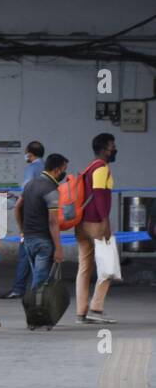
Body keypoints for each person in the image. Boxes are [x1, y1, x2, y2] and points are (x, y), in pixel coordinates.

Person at [75, 132, 119, 324]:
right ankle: (96, 307)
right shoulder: (101, 168)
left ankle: (81, 312)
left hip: (81, 224)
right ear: (103, 150)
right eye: (112, 146)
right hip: (95, 223)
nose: (115, 149)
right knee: (107, 265)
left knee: (84, 267)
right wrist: (106, 222)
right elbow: (100, 196)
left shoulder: (89, 167)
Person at [13, 152, 69, 297]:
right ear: (57, 170)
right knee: (40, 282)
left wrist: (22, 231)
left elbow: (17, 208)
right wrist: (58, 248)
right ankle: (36, 312)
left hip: (28, 240)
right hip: (43, 242)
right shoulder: (51, 190)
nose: (64, 173)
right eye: (63, 169)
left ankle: (36, 310)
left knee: (37, 277)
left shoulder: (30, 184)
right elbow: (53, 221)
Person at [2, 140, 45, 299]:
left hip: (30, 215)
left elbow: (27, 191)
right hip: (44, 213)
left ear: (31, 154)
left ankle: (19, 288)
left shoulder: (31, 168)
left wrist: (15, 200)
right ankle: (37, 288)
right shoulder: (46, 168)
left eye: (26, 152)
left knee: (25, 253)